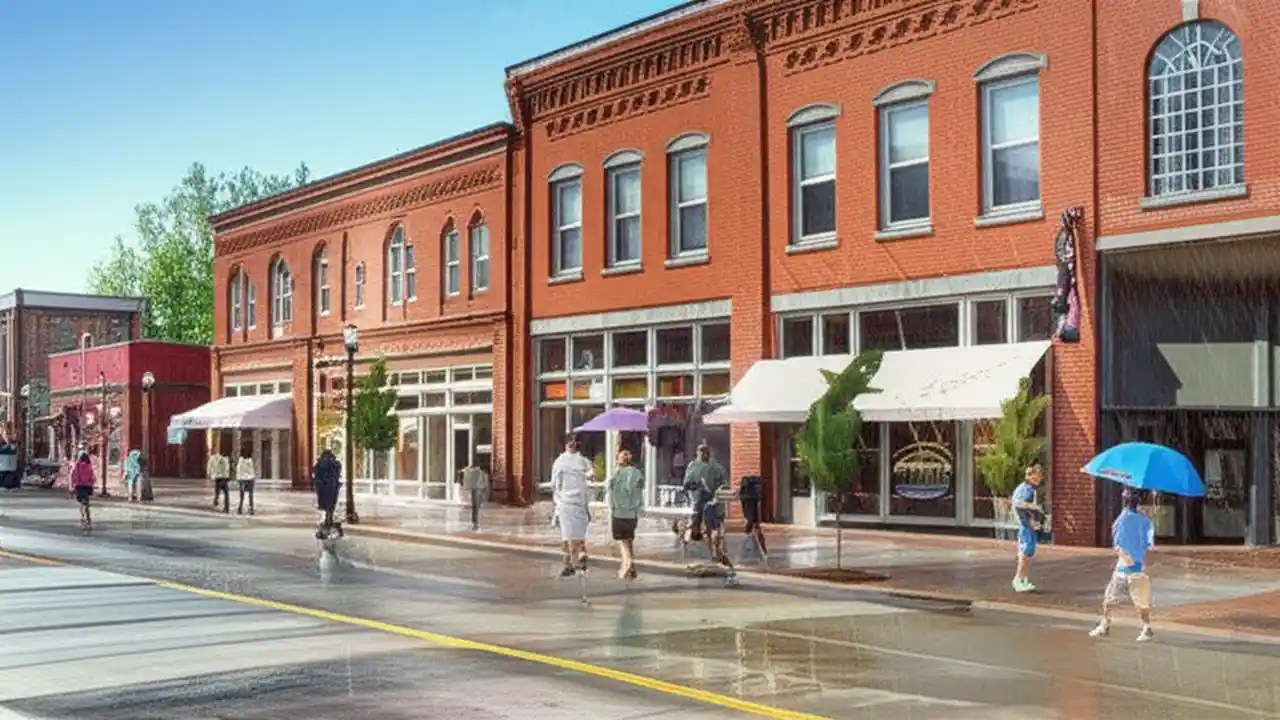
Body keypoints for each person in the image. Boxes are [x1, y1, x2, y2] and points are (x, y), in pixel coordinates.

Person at [1089, 489, 1156, 642]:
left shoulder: (1121, 520)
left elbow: (1117, 545)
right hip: (1137, 568)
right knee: (1141, 602)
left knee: (1110, 599)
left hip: (1123, 568)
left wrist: (1126, 557)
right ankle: (1146, 628)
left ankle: (1105, 624)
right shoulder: (1145, 521)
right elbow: (1149, 544)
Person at [551, 434, 593, 577]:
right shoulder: (560, 462)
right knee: (566, 534)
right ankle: (568, 563)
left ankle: (579, 558)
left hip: (580, 502)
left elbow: (590, 473)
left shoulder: (582, 461)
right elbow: (555, 484)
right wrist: (557, 503)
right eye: (569, 442)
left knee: (578, 532)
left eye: (574, 442)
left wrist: (590, 475)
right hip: (565, 503)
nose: (572, 444)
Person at [684, 443, 732, 567]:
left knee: (712, 528)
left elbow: (724, 484)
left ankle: (716, 551)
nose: (703, 454)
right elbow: (687, 484)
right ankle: (712, 551)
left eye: (705, 452)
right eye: (701, 452)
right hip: (701, 502)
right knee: (704, 527)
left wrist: (719, 493)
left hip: (711, 502)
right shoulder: (694, 466)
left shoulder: (715, 467)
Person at [608, 449, 645, 580]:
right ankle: (631, 567)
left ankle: (627, 564)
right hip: (632, 513)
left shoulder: (615, 473)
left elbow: (610, 492)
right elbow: (640, 490)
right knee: (629, 539)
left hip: (619, 512)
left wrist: (612, 506)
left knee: (623, 542)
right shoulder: (638, 474)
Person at [1011, 462, 1045, 592]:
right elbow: (1019, 503)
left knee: (1026, 552)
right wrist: (1034, 507)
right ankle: (1019, 579)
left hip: (1026, 524)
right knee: (1025, 552)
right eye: (1036, 476)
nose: (1039, 479)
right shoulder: (1027, 489)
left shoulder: (1027, 488)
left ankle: (1023, 578)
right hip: (1026, 525)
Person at [313, 448, 342, 539]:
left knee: (326, 506)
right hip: (330, 488)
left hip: (325, 488)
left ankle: (327, 520)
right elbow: (337, 474)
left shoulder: (319, 464)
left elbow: (316, 476)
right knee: (330, 506)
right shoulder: (335, 464)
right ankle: (328, 519)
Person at [70, 450, 97, 530]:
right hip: (87, 486)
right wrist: (91, 483)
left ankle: (83, 520)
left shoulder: (76, 465)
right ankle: (88, 521)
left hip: (79, 486)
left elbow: (72, 475)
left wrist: (72, 486)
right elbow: (93, 477)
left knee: (82, 503)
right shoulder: (89, 466)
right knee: (86, 503)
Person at [461, 462, 490, 531]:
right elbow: (485, 484)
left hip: (475, 490)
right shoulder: (482, 473)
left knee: (475, 507)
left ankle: (475, 522)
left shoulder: (472, 472)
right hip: (478, 490)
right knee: (476, 507)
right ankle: (476, 523)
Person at [207, 449, 230, 513]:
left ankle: (221, 504)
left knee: (221, 492)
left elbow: (227, 468)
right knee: (224, 493)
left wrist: (210, 474)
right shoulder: (216, 458)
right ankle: (225, 507)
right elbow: (210, 466)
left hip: (222, 478)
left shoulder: (224, 458)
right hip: (221, 477)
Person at [235, 450, 257, 516]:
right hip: (250, 479)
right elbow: (251, 470)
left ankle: (240, 508)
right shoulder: (250, 461)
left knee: (242, 496)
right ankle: (251, 509)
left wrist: (238, 479)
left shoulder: (240, 461)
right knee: (250, 495)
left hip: (242, 479)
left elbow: (238, 470)